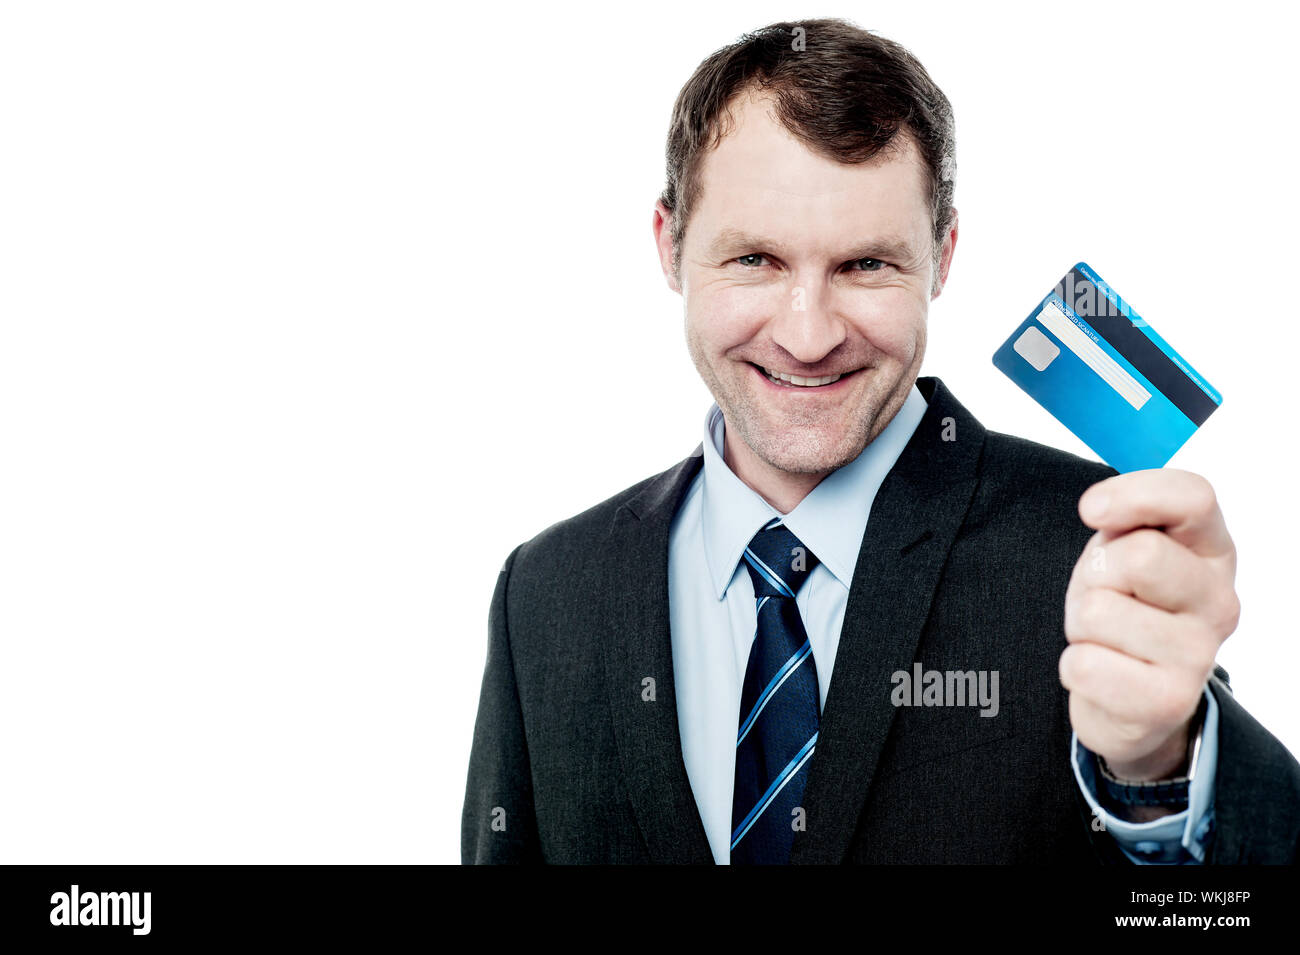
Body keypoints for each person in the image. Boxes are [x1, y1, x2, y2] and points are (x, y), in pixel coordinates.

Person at [461, 18, 1300, 864]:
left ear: (943, 257)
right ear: (669, 247)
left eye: (866, 265)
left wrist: (1156, 767)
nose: (807, 334)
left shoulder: (1093, 552)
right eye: (754, 258)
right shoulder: (546, 591)